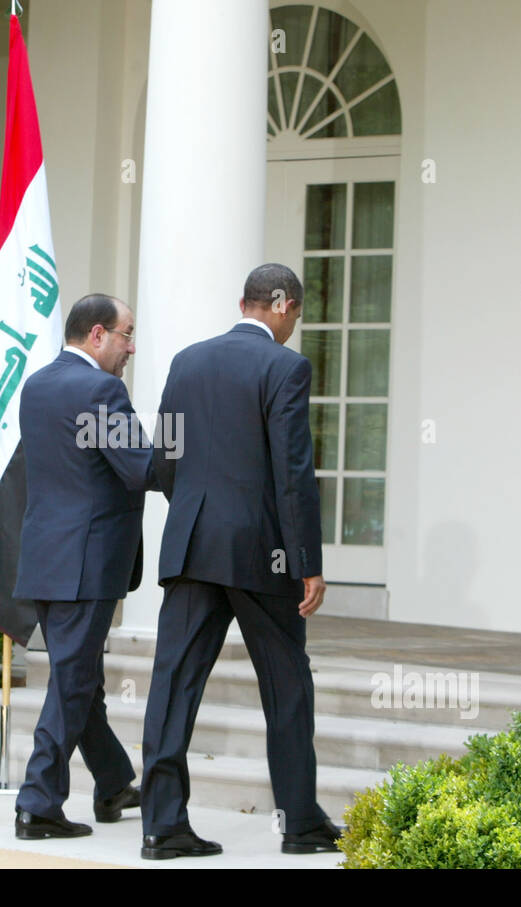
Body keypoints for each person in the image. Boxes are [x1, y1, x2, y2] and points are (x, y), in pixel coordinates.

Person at [139, 263, 341, 859]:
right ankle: (299, 822)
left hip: (191, 545)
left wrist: (198, 516)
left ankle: (162, 827)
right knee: (286, 686)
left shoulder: (186, 360)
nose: (293, 327)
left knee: (172, 685)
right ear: (280, 304)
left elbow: (166, 459)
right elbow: (293, 472)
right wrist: (308, 560)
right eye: (296, 315)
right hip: (263, 554)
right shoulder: (285, 367)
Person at [13, 293, 156, 839]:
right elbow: (140, 466)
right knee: (72, 682)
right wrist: (200, 453)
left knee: (81, 677)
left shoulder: (38, 385)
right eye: (126, 335)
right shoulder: (101, 389)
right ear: (97, 335)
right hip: (87, 563)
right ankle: (38, 803)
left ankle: (114, 781)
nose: (131, 348)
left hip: (47, 559)